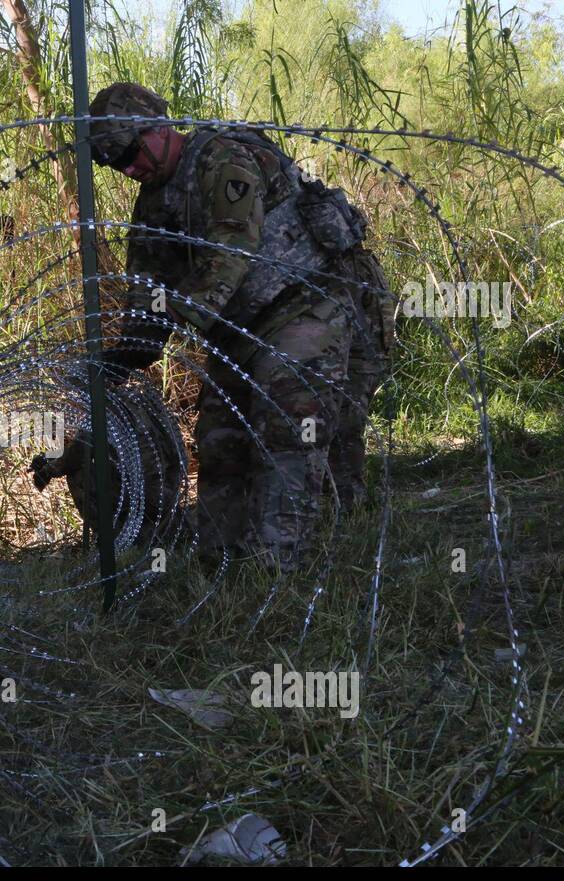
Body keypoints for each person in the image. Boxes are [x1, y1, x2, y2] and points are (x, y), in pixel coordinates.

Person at [32, 82, 396, 571]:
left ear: (158, 130)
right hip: (236, 331)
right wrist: (129, 352)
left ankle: (278, 559)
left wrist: (180, 317)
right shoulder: (152, 209)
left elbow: (231, 255)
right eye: (115, 163)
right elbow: (147, 291)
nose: (129, 168)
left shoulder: (222, 161)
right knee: (219, 440)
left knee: (287, 422)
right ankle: (220, 558)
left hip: (303, 302)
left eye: (129, 152)